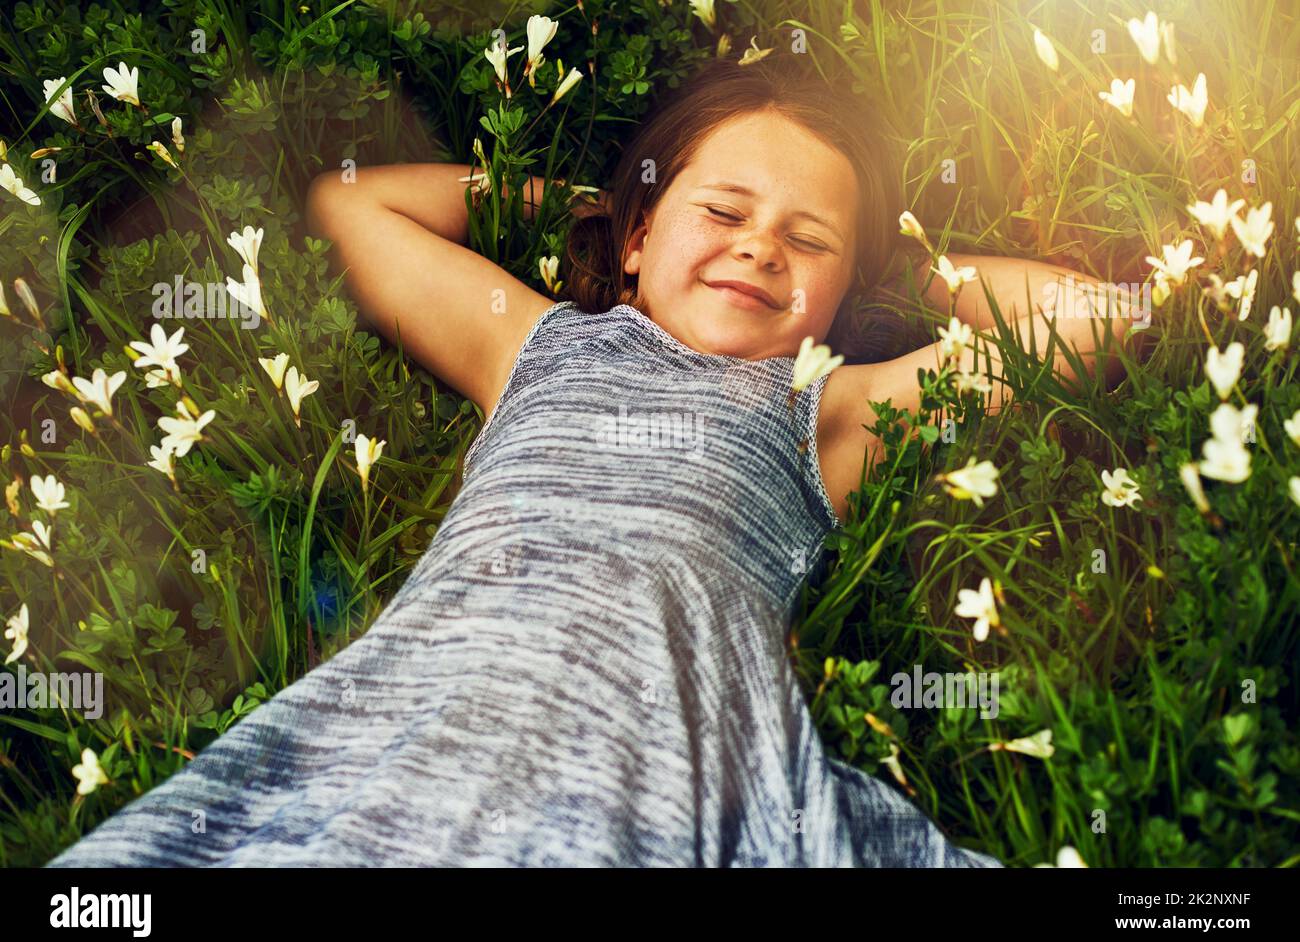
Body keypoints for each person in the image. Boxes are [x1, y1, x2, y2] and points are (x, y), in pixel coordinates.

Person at [47, 52, 1119, 868]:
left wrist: (898, 277)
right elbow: (349, 203)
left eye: (808, 240)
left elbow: (1093, 314)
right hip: (444, 681)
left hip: (667, 718)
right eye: (723, 211)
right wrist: (589, 215)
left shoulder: (830, 407)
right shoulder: (534, 339)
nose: (759, 248)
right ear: (645, 234)